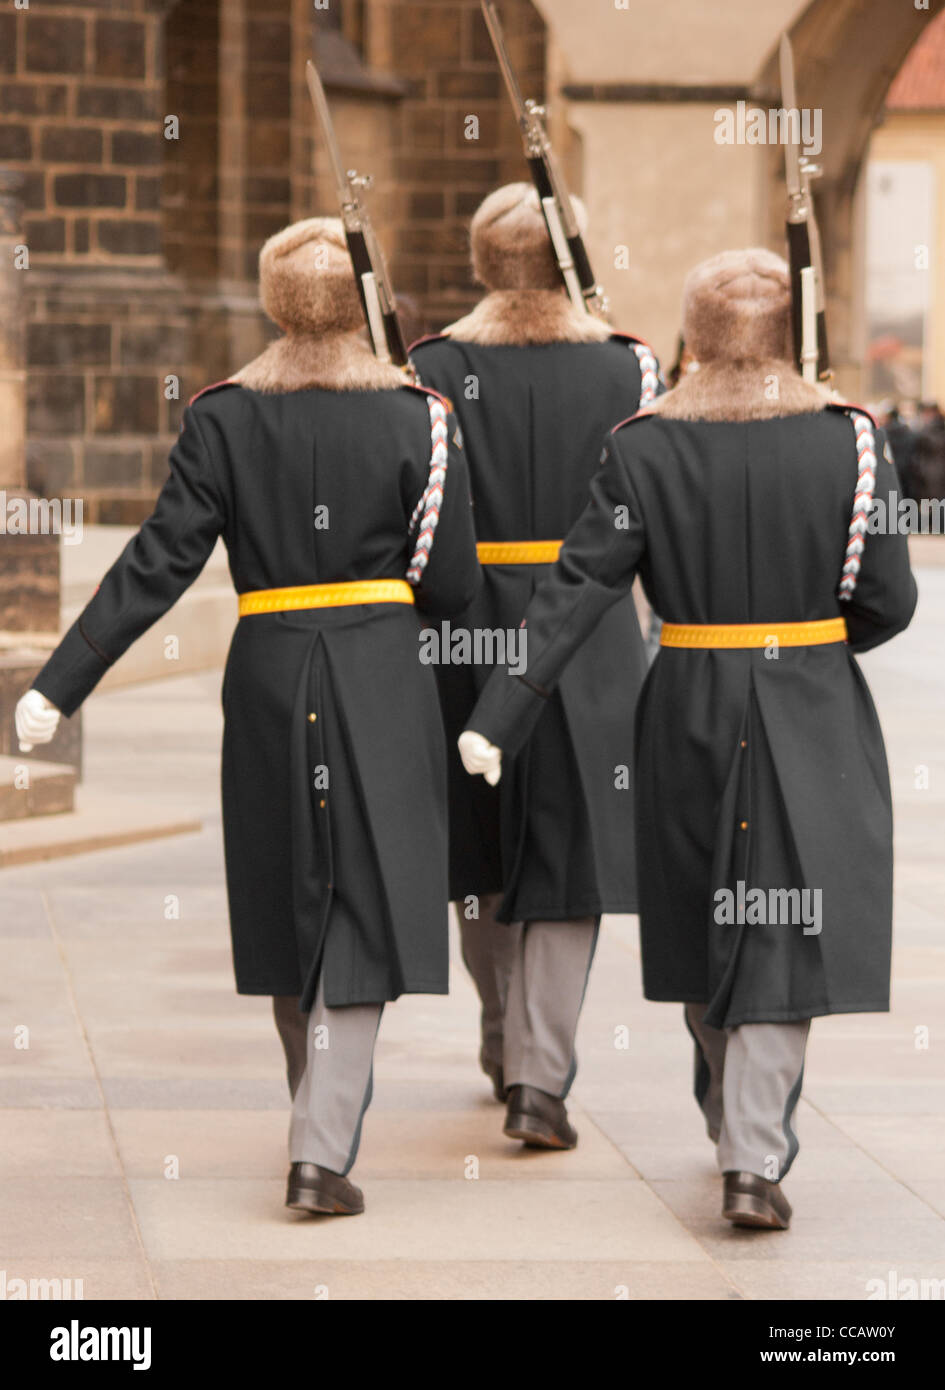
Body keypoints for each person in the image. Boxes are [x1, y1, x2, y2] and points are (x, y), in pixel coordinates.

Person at [16, 217, 480, 1217]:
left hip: (270, 671)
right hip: (378, 673)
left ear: (272, 304)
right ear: (364, 307)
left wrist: (59, 682)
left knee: (295, 893)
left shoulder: (222, 417)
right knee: (362, 894)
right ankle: (319, 1148)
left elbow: (157, 562)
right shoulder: (423, 415)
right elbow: (450, 583)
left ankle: (315, 1114)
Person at [459, 248, 916, 1227]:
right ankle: (750, 1147)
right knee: (779, 925)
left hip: (687, 702)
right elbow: (888, 599)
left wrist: (502, 710)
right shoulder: (852, 439)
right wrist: (816, 645)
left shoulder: (644, 446)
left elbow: (580, 589)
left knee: (712, 922)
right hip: (809, 700)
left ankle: (741, 1132)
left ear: (693, 338)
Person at [410, 183, 661, 1150]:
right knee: (569, 856)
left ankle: (503, 1033)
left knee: (480, 846)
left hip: (465, 625)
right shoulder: (629, 365)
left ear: (481, 265)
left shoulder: (429, 364)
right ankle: (538, 1074)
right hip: (587, 629)